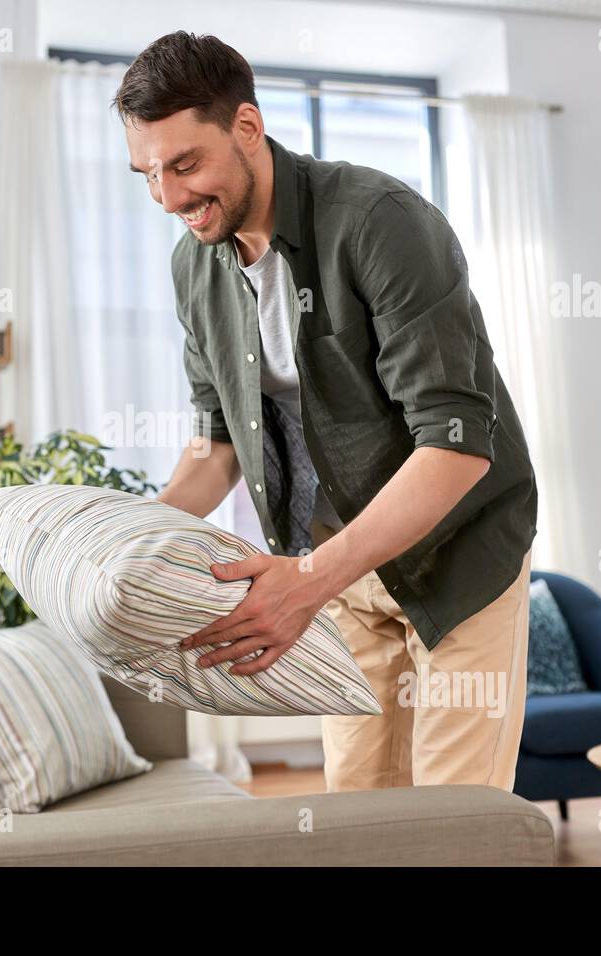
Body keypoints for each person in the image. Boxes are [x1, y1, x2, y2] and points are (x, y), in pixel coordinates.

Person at [112, 32, 538, 792]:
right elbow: (217, 445)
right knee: (357, 815)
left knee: (453, 825)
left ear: (247, 127)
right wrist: (123, 553)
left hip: (459, 558)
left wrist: (303, 582)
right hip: (343, 574)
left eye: (184, 165)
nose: (169, 198)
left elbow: (456, 443)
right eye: (148, 174)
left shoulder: (381, 222)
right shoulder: (194, 266)